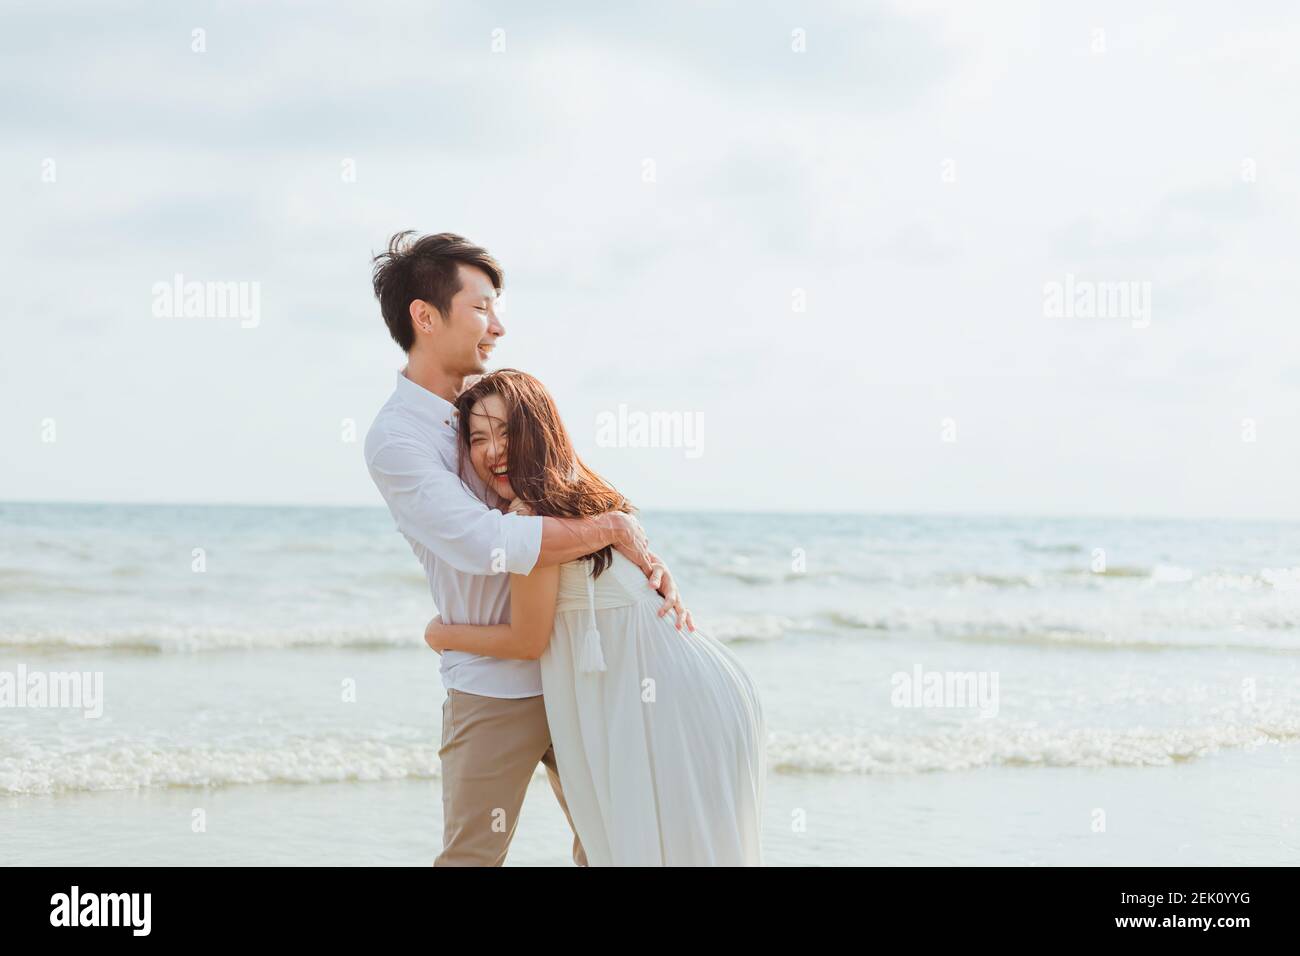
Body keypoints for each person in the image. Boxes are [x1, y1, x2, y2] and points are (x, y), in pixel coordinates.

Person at [364, 231, 691, 866]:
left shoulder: (493, 406)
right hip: (493, 688)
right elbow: (486, 542)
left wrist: (637, 552)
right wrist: (611, 530)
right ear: (425, 318)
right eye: (481, 308)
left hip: (578, 669)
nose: (498, 327)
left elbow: (570, 492)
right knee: (472, 858)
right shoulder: (397, 439)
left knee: (615, 848)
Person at [424, 369, 766, 866]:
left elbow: (527, 638)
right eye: (478, 438)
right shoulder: (589, 498)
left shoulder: (531, 523)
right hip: (706, 692)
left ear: (537, 430)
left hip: (672, 707)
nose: (493, 450)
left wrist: (443, 633)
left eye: (506, 431)